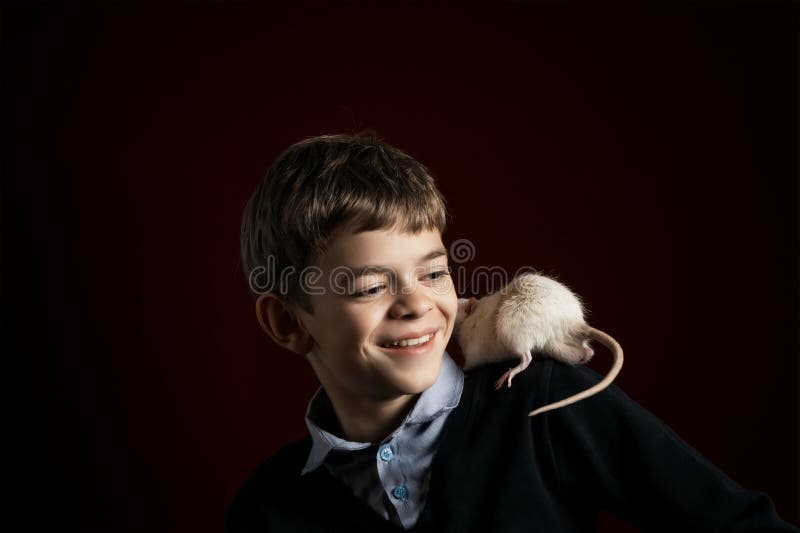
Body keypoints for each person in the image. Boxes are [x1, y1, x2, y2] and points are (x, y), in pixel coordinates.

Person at [227, 132, 798, 532]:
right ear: (288, 322)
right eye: (371, 286)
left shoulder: (543, 402)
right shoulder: (268, 507)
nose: (418, 304)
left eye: (434, 273)